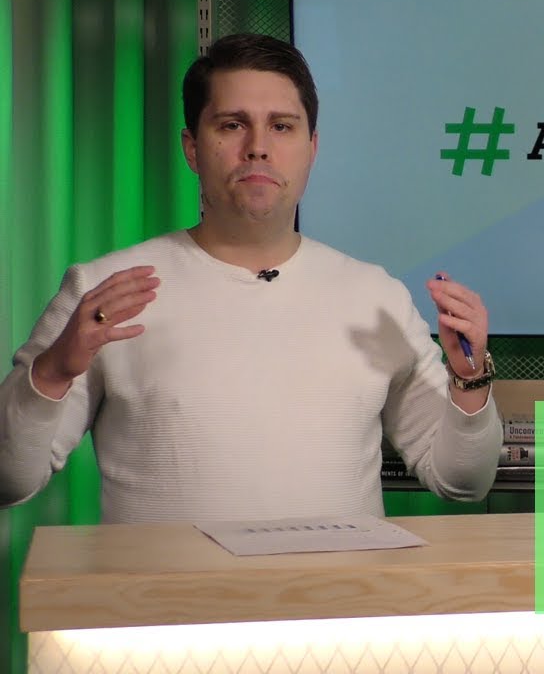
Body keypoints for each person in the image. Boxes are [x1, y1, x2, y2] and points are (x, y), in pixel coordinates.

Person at [0, 33, 503, 523]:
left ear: (312, 148)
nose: (258, 147)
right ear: (192, 147)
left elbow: (463, 481)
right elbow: (8, 480)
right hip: (164, 585)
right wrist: (52, 372)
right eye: (232, 124)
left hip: (338, 584)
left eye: (281, 126)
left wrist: (470, 379)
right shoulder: (102, 291)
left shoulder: (377, 297)